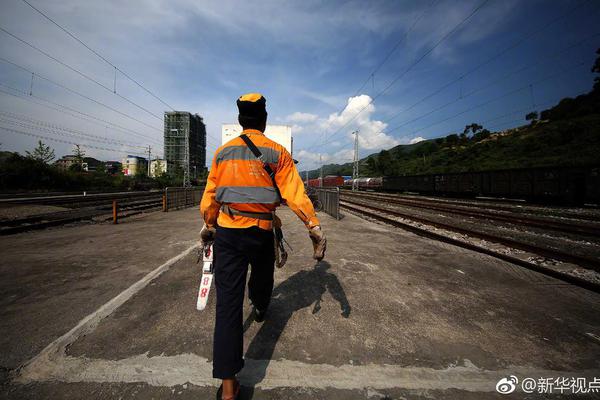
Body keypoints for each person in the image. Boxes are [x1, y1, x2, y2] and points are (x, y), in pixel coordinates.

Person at [199, 93, 327, 400]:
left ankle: (229, 390)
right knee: (262, 277)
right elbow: (295, 192)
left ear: (241, 121)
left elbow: (211, 196)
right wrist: (313, 225)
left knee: (227, 306)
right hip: (262, 230)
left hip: (229, 233)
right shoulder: (277, 152)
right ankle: (260, 304)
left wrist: (209, 224)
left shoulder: (222, 153)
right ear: (264, 120)